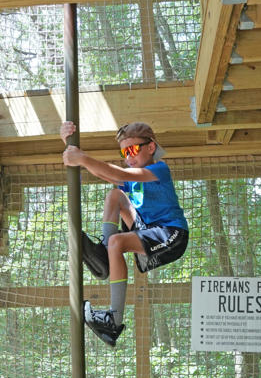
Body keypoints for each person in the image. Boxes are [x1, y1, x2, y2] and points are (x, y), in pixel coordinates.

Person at [60, 120, 189, 347]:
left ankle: (114, 321)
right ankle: (104, 255)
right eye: (123, 152)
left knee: (118, 241)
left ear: (150, 147)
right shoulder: (128, 178)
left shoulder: (158, 169)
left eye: (132, 150)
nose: (128, 156)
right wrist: (69, 148)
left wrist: (81, 157)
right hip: (147, 230)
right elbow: (104, 173)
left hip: (171, 235)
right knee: (114, 196)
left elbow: (116, 171)